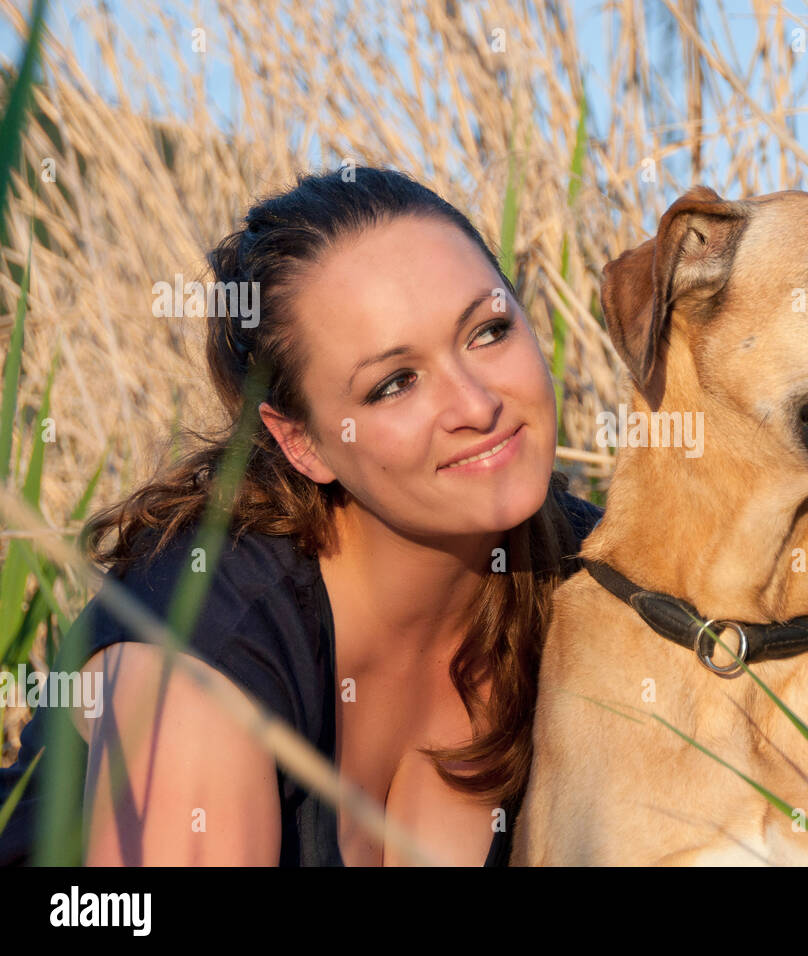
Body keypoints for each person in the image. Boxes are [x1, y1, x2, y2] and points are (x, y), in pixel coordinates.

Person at [0, 166, 602, 866]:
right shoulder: (208, 644)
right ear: (302, 442)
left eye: (489, 330)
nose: (477, 405)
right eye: (395, 383)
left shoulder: (592, 576)